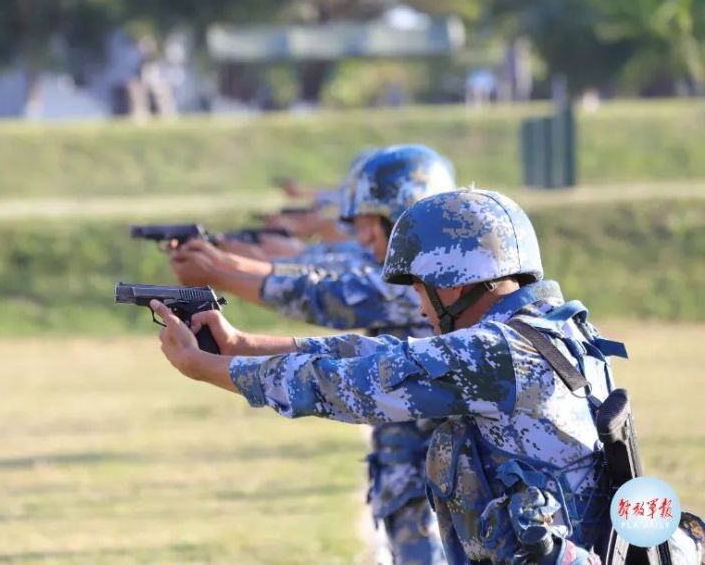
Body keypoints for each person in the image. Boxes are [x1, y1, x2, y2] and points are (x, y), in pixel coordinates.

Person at [149, 188, 705, 564]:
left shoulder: (499, 354)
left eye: (420, 287)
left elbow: (358, 385)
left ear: (455, 282)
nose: (417, 304)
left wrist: (209, 368)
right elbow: (377, 354)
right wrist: (243, 346)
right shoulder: (546, 332)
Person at [171, 145, 456, 565]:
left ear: (403, 218)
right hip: (412, 474)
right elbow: (317, 270)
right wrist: (230, 273)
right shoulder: (411, 272)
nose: (360, 237)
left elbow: (327, 294)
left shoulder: (425, 279)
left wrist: (221, 273)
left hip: (434, 484)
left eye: (370, 225)